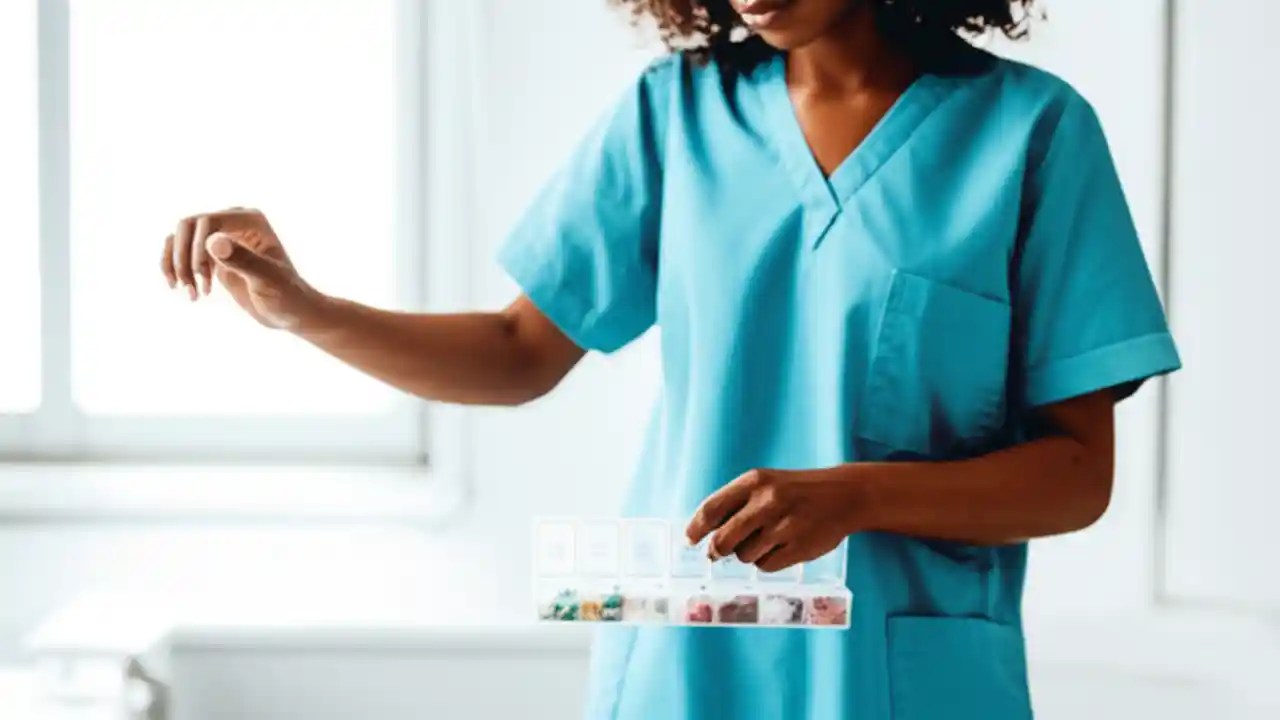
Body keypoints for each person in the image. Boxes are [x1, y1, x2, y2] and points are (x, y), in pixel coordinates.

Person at [159, 0, 1181, 717]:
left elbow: (1074, 473)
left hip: (902, 680)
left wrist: (855, 496)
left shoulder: (1032, 134)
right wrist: (305, 310)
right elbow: (517, 352)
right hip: (684, 665)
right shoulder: (674, 112)